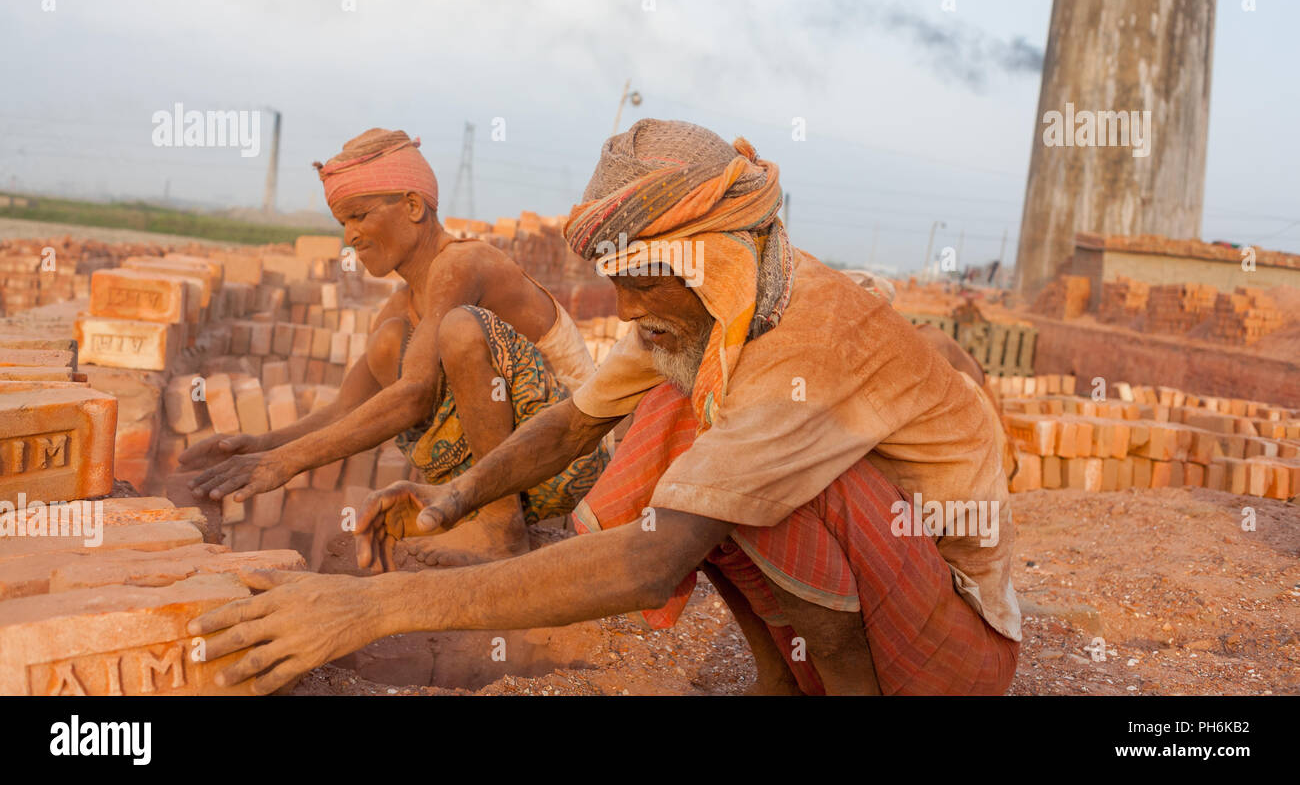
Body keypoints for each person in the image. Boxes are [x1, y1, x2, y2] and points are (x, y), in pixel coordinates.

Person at [189, 119, 1020, 696]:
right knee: (682, 414)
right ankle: (783, 679)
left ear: (716, 258)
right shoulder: (701, 311)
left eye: (640, 280)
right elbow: (574, 421)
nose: (624, 307)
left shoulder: (804, 343)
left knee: (717, 463)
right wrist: (451, 502)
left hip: (944, 648)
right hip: (874, 588)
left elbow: (654, 559)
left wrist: (366, 610)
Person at [182, 127, 607, 562]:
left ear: (412, 205)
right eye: (342, 223)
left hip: (567, 455)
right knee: (387, 344)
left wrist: (286, 462)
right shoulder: (401, 304)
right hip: (504, 473)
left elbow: (415, 396)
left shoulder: (463, 263)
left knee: (459, 330)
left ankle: (501, 528)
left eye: (359, 215)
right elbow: (346, 408)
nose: (350, 235)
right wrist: (262, 446)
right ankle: (471, 515)